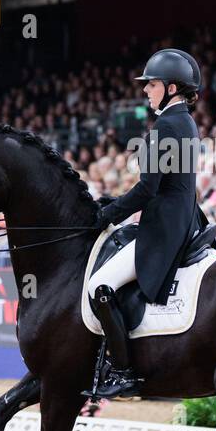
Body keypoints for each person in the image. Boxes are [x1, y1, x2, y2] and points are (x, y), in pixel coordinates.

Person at [85, 49, 207, 399]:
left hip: (164, 227)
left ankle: (121, 370)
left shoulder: (167, 125)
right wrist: (114, 203)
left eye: (151, 84)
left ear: (170, 88)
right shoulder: (185, 121)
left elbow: (148, 188)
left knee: (100, 285)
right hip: (183, 219)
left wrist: (107, 215)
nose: (145, 91)